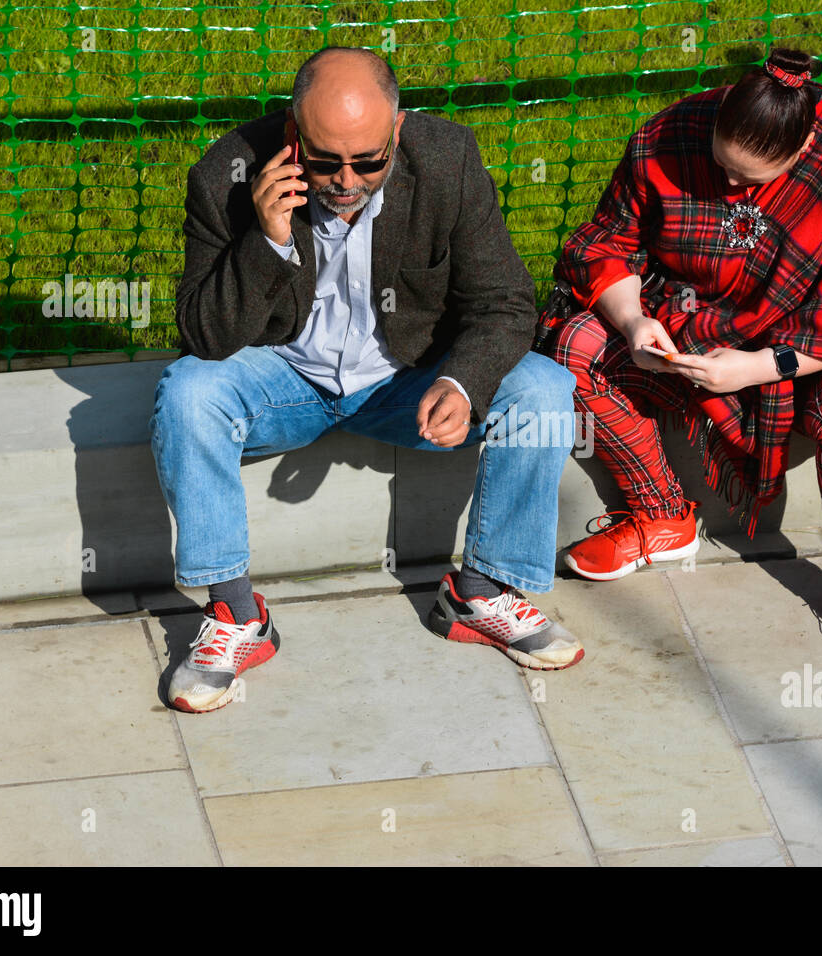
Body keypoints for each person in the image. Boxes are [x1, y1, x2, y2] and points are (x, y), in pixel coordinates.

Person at [151, 47, 584, 713]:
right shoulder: (228, 174)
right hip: (285, 376)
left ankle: (482, 590)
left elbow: (506, 303)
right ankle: (237, 616)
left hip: (405, 381)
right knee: (187, 393)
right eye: (325, 162)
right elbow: (205, 337)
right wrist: (265, 241)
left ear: (397, 130)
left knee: (546, 392)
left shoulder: (447, 161)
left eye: (368, 160)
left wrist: (463, 384)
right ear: (294, 136)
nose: (346, 180)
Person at [539, 47, 822, 663]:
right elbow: (609, 242)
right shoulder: (669, 134)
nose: (732, 188)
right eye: (723, 166)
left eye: (754, 179)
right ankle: (660, 516)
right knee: (576, 347)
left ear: (805, 143)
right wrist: (634, 323)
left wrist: (760, 366)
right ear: (715, 122)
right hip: (699, 314)